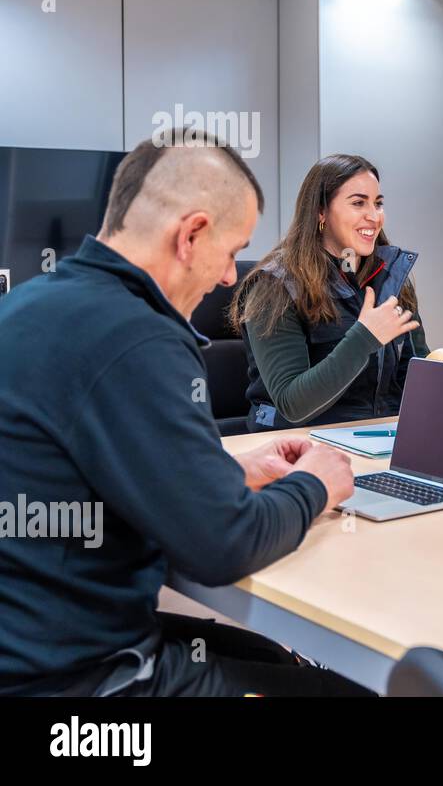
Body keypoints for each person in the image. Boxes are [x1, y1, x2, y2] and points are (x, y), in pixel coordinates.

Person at [0, 132, 365, 695]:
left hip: (34, 636)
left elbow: (94, 463)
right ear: (191, 234)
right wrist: (317, 485)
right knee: (343, 688)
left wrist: (230, 472)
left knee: (267, 653)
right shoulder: (138, 337)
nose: (227, 278)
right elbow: (224, 546)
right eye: (230, 253)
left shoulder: (28, 303)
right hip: (79, 683)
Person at [230, 154, 427, 431]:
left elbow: (413, 375)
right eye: (359, 203)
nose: (374, 216)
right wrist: (365, 338)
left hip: (380, 437)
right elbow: (292, 404)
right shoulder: (275, 285)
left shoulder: (392, 279)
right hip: (296, 444)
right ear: (321, 211)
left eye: (378, 203)